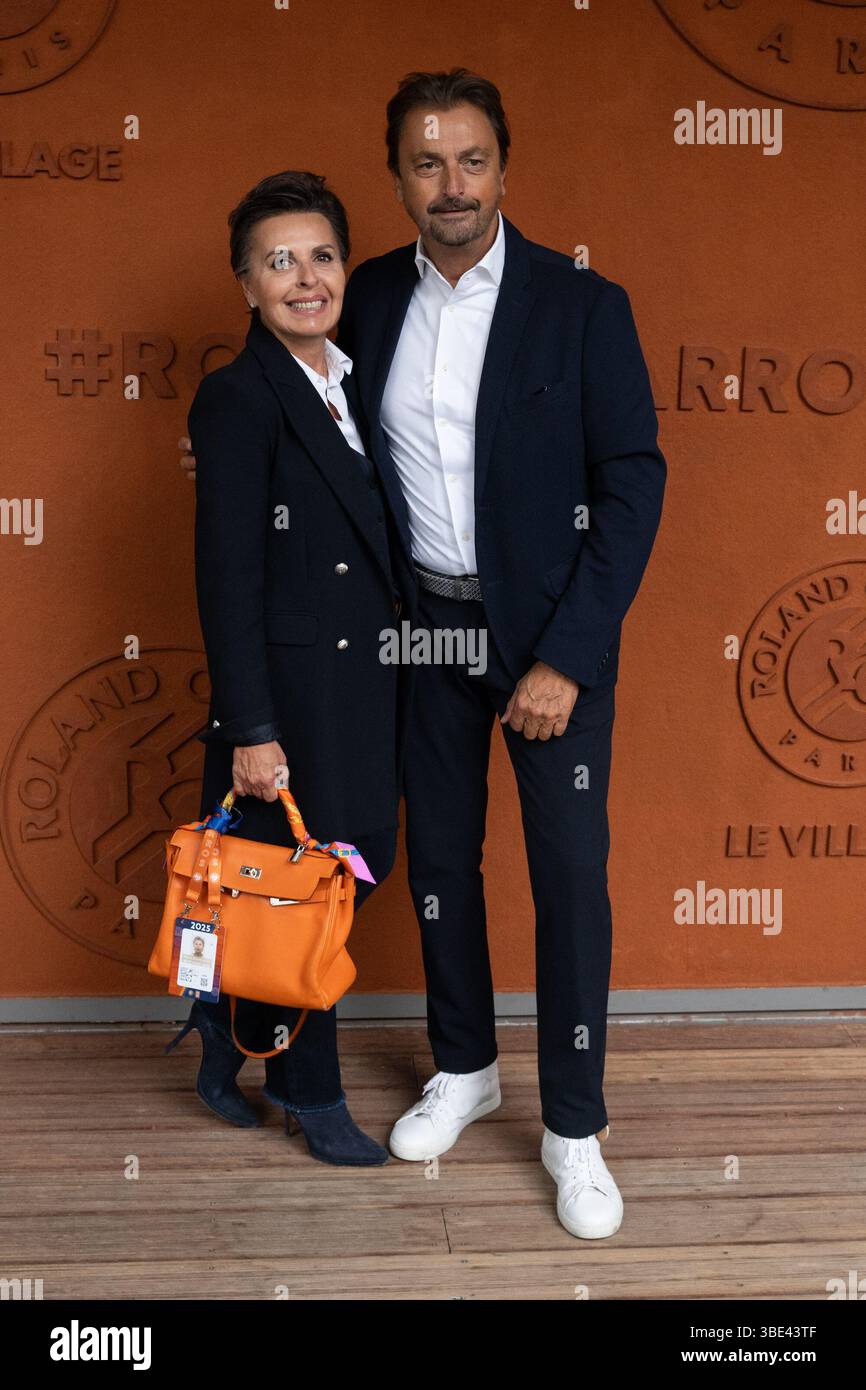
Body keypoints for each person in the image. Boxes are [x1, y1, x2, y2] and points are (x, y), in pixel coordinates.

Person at [181, 69, 667, 1239]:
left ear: (505, 165)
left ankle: (573, 1124)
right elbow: (300, 426)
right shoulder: (369, 297)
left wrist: (567, 655)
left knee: (566, 884)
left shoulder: (581, 305)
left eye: (470, 160)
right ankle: (463, 1067)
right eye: (423, 162)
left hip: (547, 642)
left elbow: (632, 481)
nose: (449, 185)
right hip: (421, 635)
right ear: (395, 175)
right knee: (439, 862)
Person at [166, 169, 414, 1166]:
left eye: (320, 256)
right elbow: (225, 580)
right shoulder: (236, 397)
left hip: (363, 690)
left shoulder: (350, 381)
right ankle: (310, 1095)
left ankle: (223, 1045)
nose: (305, 279)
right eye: (280, 262)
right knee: (291, 894)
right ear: (245, 283)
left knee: (331, 876)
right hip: (288, 704)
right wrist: (250, 729)